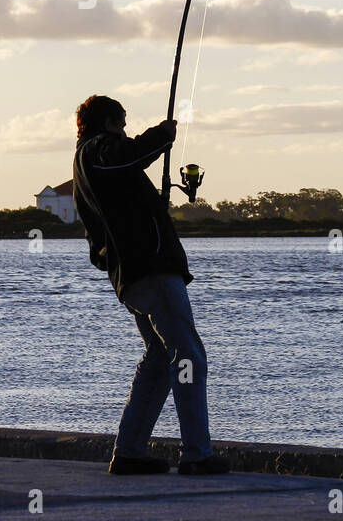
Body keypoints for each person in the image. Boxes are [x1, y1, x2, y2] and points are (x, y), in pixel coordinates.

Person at [72, 95, 229, 476]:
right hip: (151, 270)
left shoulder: (90, 161)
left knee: (160, 358)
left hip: (134, 275)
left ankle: (129, 452)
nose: (124, 129)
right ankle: (196, 454)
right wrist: (163, 134)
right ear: (107, 123)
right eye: (121, 122)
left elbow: (126, 172)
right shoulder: (98, 150)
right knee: (188, 355)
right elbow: (131, 153)